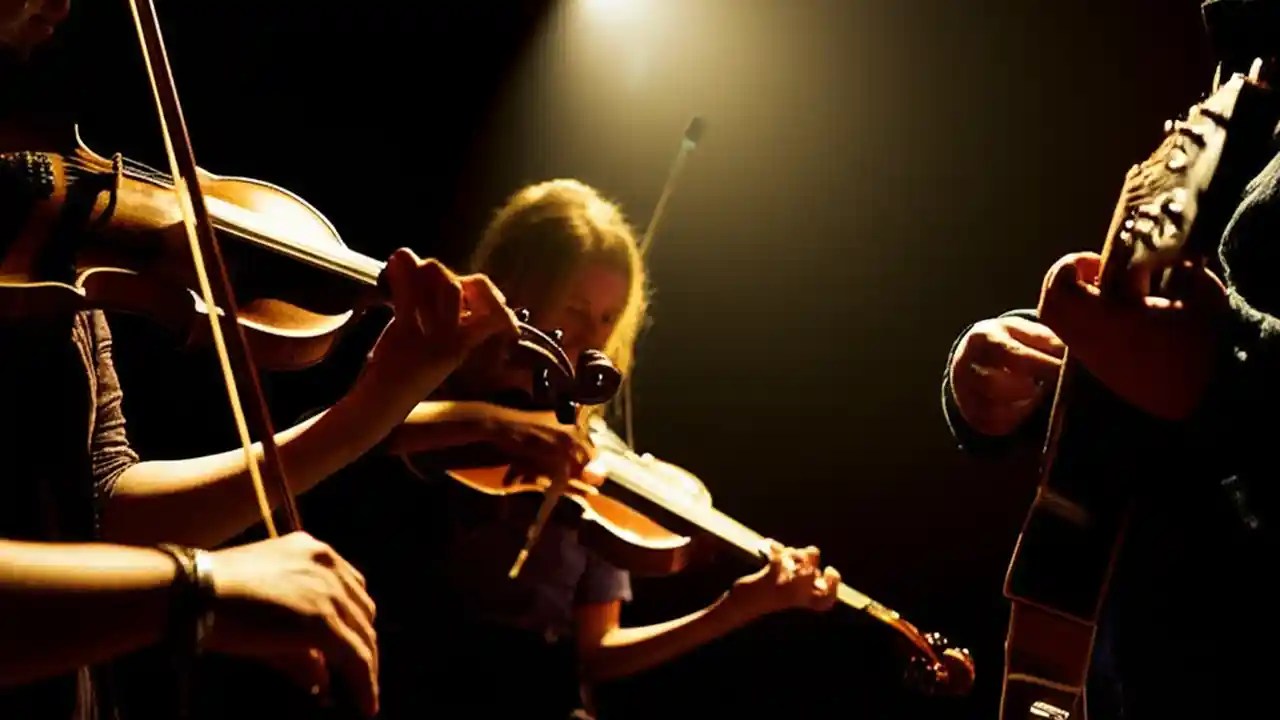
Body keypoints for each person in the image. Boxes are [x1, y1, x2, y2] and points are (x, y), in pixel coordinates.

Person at [0, 3, 521, 719]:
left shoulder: (44, 221)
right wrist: (196, 590)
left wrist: (368, 409)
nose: (61, 4)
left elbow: (104, 508)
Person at [316, 178, 844, 718]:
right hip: (401, 678)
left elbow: (598, 654)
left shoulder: (587, 452)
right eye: (574, 308)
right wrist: (493, 425)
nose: (592, 336)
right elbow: (360, 432)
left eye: (608, 318)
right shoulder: (429, 374)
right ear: (517, 287)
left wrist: (740, 606)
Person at [941, 3, 1280, 717]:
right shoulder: (1242, 66)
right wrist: (1002, 370)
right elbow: (1154, 330)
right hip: (1132, 673)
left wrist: (1224, 367)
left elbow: (1205, 360)